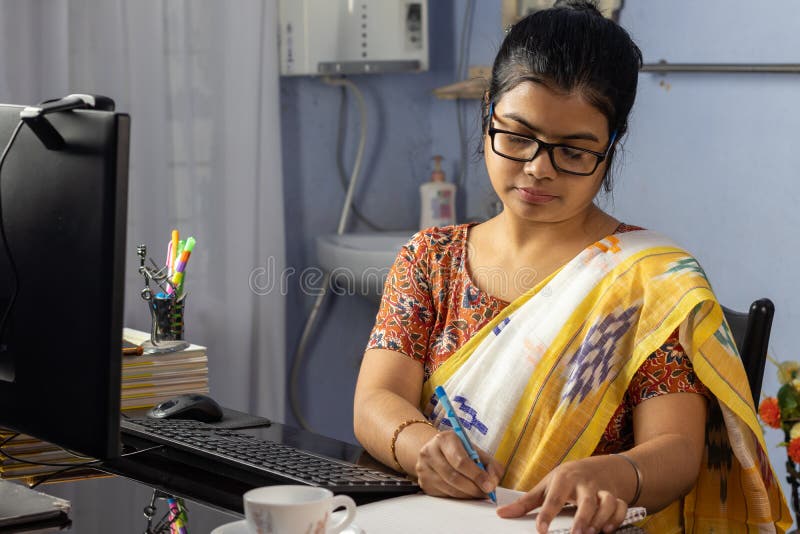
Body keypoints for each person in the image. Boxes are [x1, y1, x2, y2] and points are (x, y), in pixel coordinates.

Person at [353, 1, 791, 532]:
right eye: (516, 136)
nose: (538, 169)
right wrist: (422, 446)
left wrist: (619, 473)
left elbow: (676, 449)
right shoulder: (431, 259)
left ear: (610, 149)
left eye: (575, 152)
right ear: (487, 110)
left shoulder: (649, 280)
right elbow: (377, 399)